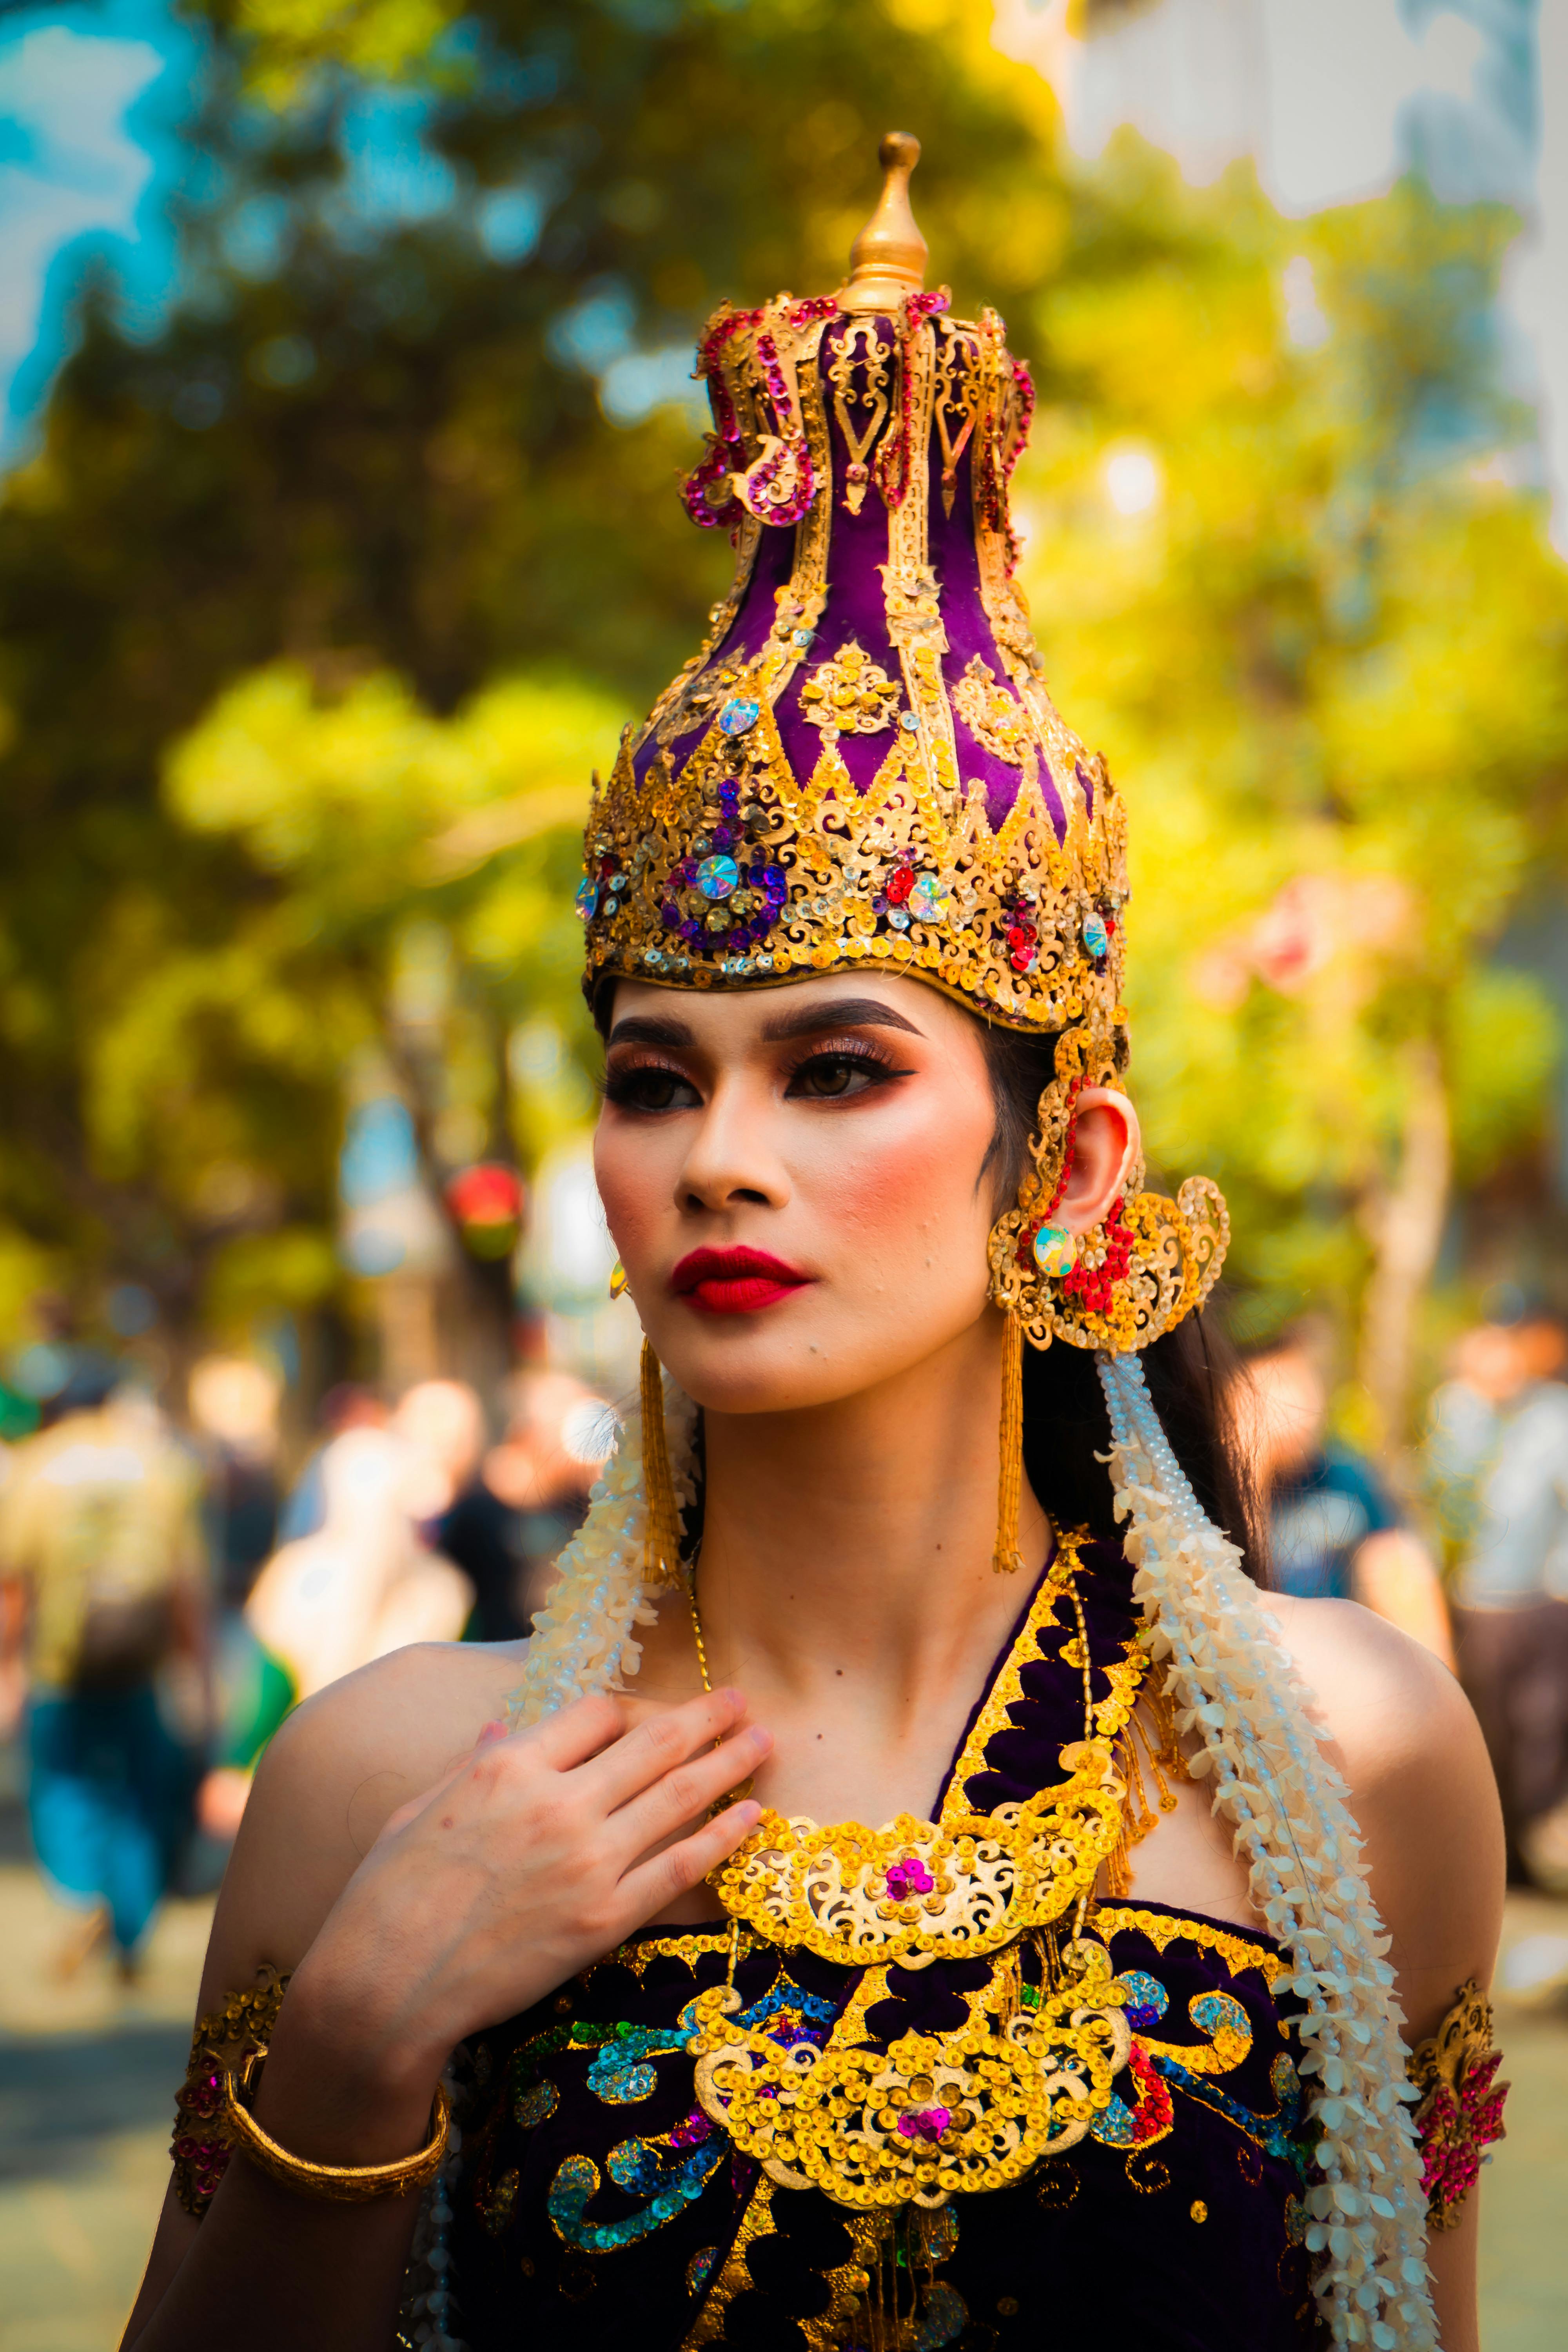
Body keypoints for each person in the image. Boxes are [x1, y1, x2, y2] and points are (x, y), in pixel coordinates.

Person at [124, 138, 1503, 2352]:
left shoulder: (1356, 1757)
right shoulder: (394, 1779)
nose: (714, 1157)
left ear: (1063, 1168)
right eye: (654, 1079)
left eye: (836, 1070)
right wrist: (367, 2035)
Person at [0, 1361, 207, 1980]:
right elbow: (185, 1580)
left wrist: (7, 1662)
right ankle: (131, 1923)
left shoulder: (38, 1464)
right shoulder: (160, 1463)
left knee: (63, 1782)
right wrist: (200, 1671)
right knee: (139, 1791)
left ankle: (82, 1890)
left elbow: (15, 1583)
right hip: (140, 1660)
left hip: (63, 1659)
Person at [1427, 1312, 1568, 1884]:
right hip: (1473, 1602)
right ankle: (1496, 1852)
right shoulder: (1453, 1412)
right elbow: (1439, 1496)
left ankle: (1528, 1843)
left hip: (1539, 1602)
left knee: (1544, 1727)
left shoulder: (1552, 1415)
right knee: (1487, 1733)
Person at [1243, 1329, 1454, 1665]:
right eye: (1274, 1397)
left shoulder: (1347, 1477)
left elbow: (1400, 1576)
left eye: (1304, 1389)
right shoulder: (1216, 1495)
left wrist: (1439, 1678)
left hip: (1337, 1667)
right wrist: (1252, 1467)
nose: (1298, 1415)